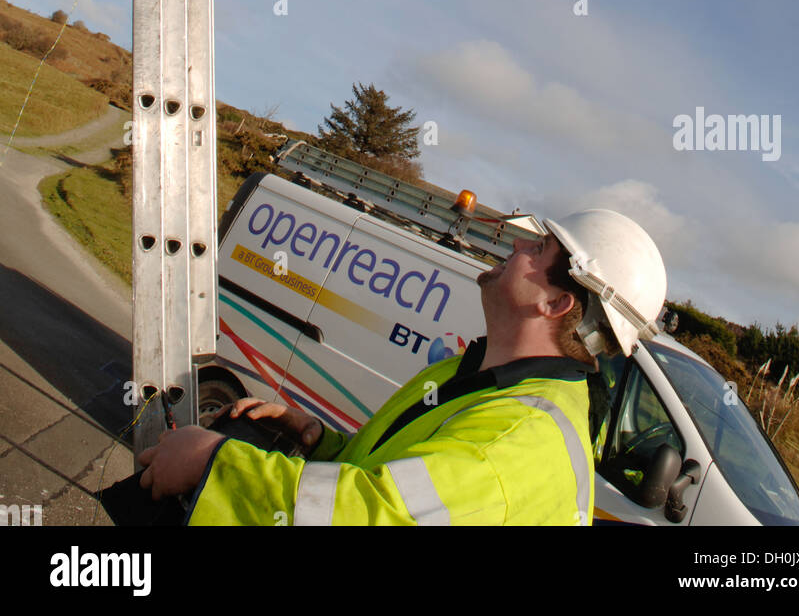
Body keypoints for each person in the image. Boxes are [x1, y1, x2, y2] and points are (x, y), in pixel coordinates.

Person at [137, 208, 667, 526]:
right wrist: (314, 435)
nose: (517, 243)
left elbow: (372, 516)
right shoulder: (470, 374)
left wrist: (215, 464)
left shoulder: (516, 439)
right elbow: (384, 479)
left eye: (540, 247)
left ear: (556, 304)